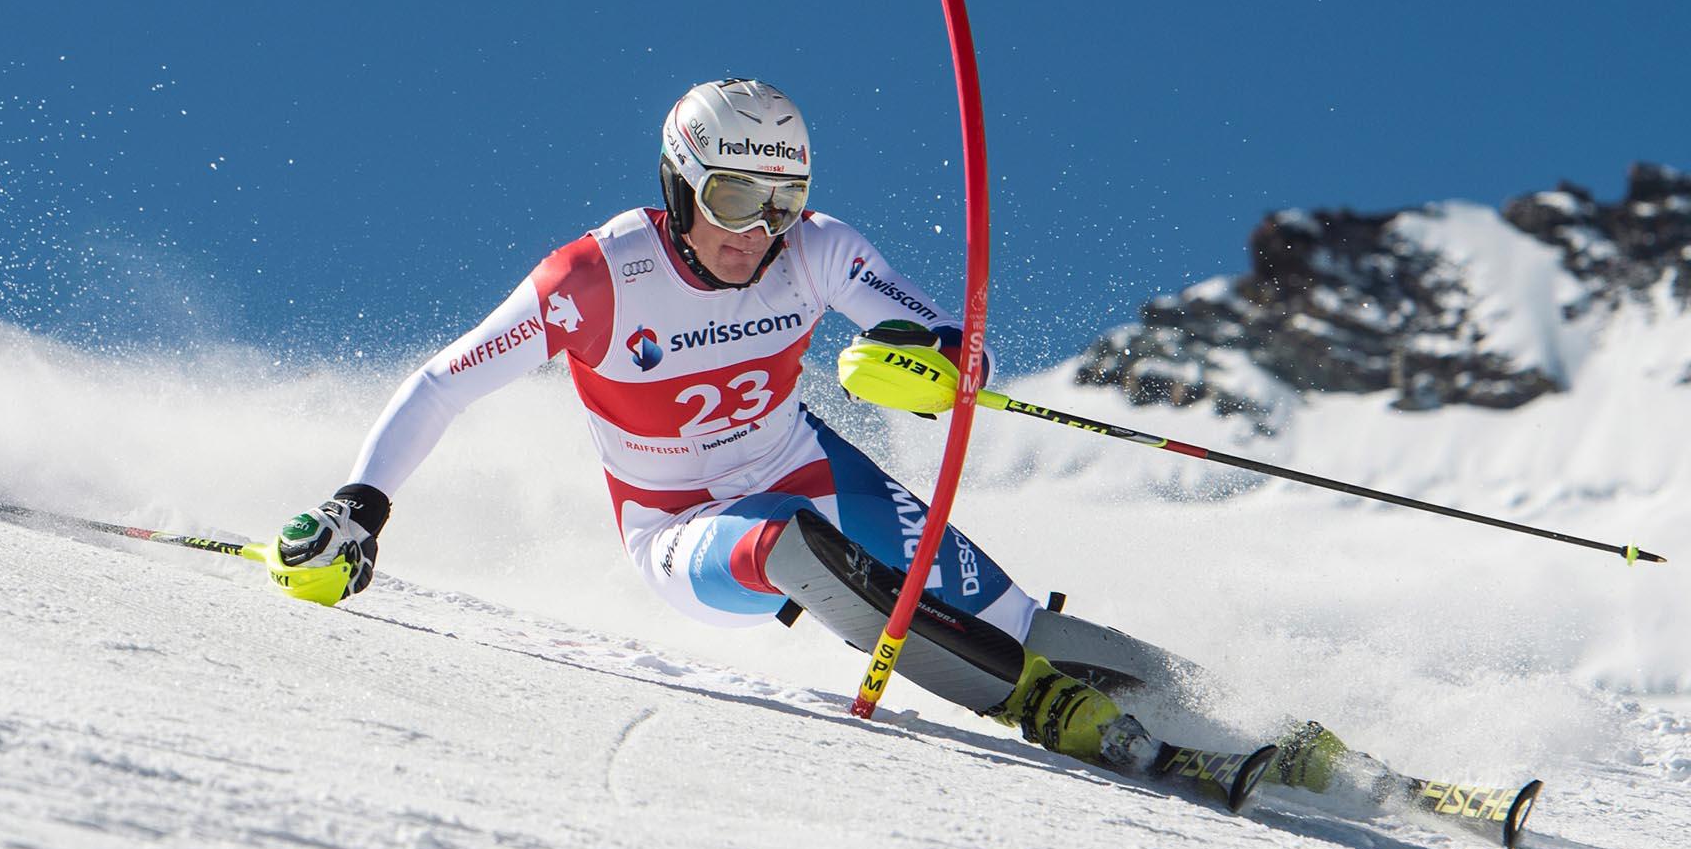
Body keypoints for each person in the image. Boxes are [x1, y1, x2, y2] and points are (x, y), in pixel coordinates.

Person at [255, 78, 1330, 781]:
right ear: (680, 184)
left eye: (781, 200)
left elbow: (948, 338)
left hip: (808, 465)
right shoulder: (596, 278)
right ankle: (1044, 709)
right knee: (792, 550)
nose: (756, 232)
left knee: (1006, 612)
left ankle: (1265, 733)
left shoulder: (817, 250)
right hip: (682, 530)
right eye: (732, 198)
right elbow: (443, 383)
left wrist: (944, 367)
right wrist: (360, 506)